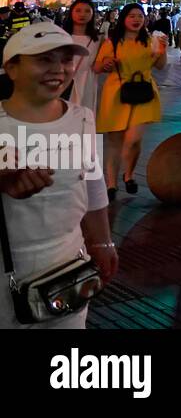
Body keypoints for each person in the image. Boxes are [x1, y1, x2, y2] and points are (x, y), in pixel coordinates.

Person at [0, 23, 117, 329]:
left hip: (68, 263)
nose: (58, 70)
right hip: (9, 266)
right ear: (11, 68)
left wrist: (103, 241)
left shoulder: (82, 118)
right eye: (43, 59)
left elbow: (92, 183)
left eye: (65, 60)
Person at [93, 3, 167, 201]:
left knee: (133, 138)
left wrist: (162, 51)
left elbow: (160, 66)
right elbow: (98, 67)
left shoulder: (150, 40)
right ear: (124, 19)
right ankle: (111, 184)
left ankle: (129, 174)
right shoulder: (113, 42)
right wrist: (107, 63)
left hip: (144, 92)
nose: (136, 19)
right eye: (132, 16)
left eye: (140, 16)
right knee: (115, 142)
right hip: (117, 92)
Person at [61, 0, 101, 114]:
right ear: (71, 12)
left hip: (87, 82)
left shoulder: (97, 40)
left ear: (93, 14)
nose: (82, 14)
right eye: (78, 10)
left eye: (87, 11)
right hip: (64, 81)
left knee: (83, 116)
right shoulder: (61, 36)